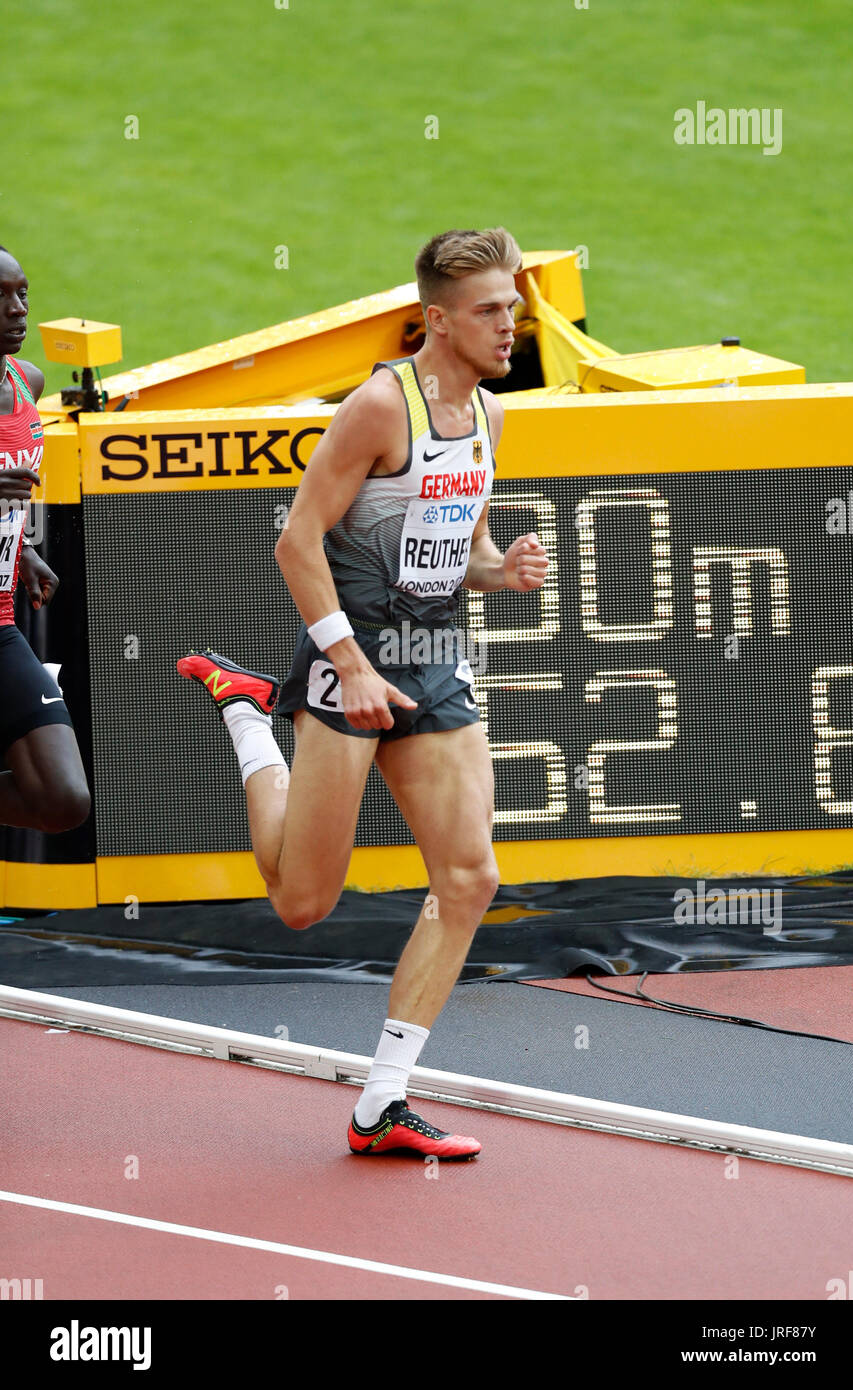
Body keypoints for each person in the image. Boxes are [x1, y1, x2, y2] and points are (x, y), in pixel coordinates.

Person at [179, 228, 548, 1158]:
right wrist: (348, 663)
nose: (513, 324)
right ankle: (244, 709)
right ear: (436, 319)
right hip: (351, 663)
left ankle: (382, 1101)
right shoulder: (381, 407)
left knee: (470, 879)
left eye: (514, 306)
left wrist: (497, 572)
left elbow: (451, 551)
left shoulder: (493, 418)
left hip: (435, 664)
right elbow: (299, 542)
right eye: (491, 310)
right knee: (303, 900)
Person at [0, 245, 90, 834]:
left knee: (62, 799)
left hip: (0, 621)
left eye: (22, 293)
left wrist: (23, 549)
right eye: (0, 299)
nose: (17, 310)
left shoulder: (26, 381)